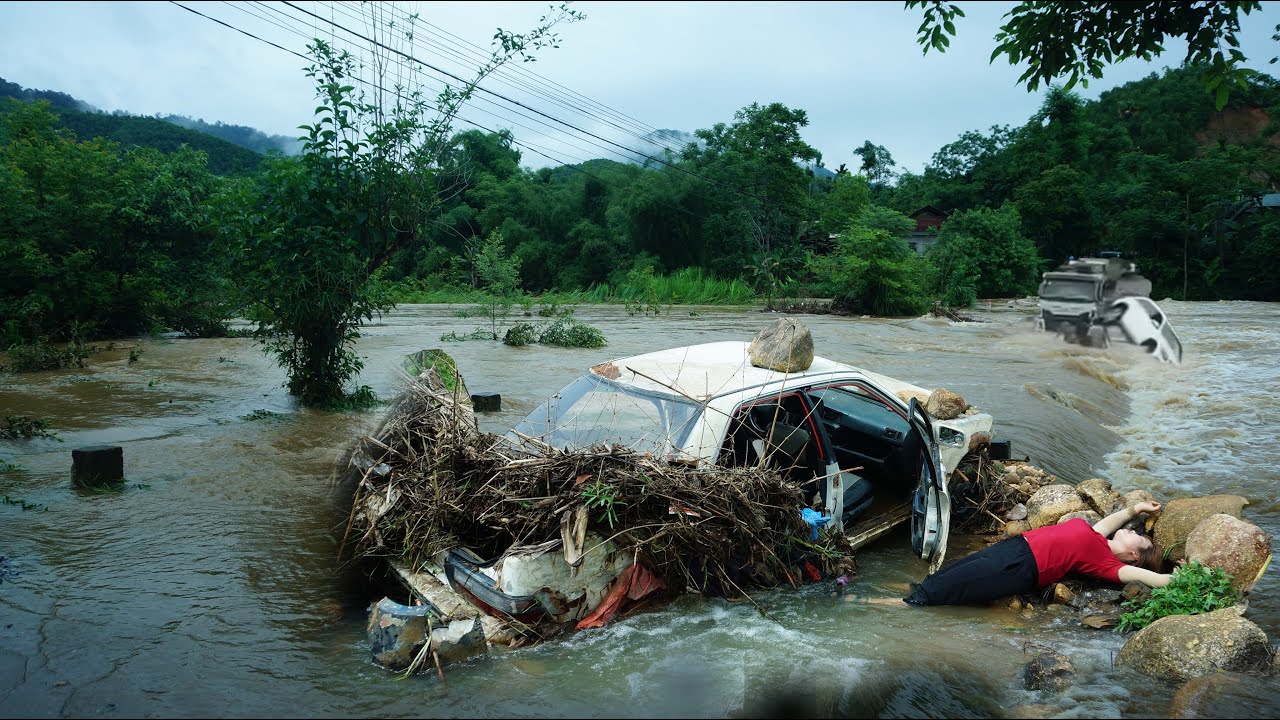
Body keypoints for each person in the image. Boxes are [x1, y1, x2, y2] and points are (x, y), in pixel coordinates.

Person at [858, 501, 1170, 607]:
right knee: (945, 578)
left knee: (939, 593)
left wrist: (1175, 578)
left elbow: (1149, 577)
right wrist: (1135, 509)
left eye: (1137, 537)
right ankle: (870, 596)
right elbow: (1110, 522)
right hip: (1014, 549)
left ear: (1131, 555)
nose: (1133, 529)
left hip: (1020, 567)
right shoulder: (1098, 537)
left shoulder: (1107, 565)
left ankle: (866, 605)